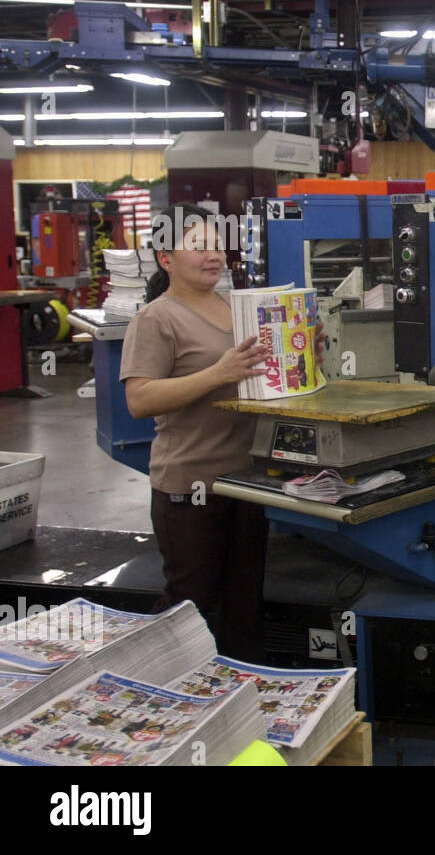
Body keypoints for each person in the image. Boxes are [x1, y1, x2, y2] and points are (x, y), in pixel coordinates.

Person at [119, 204, 321, 662]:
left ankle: (240, 694)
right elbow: (140, 400)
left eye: (217, 245)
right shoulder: (157, 319)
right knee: (192, 601)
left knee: (244, 600)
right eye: (198, 247)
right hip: (190, 485)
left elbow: (268, 381)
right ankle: (157, 685)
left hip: (246, 479)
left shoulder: (241, 308)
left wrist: (305, 349)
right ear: (166, 257)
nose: (213, 256)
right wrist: (217, 373)